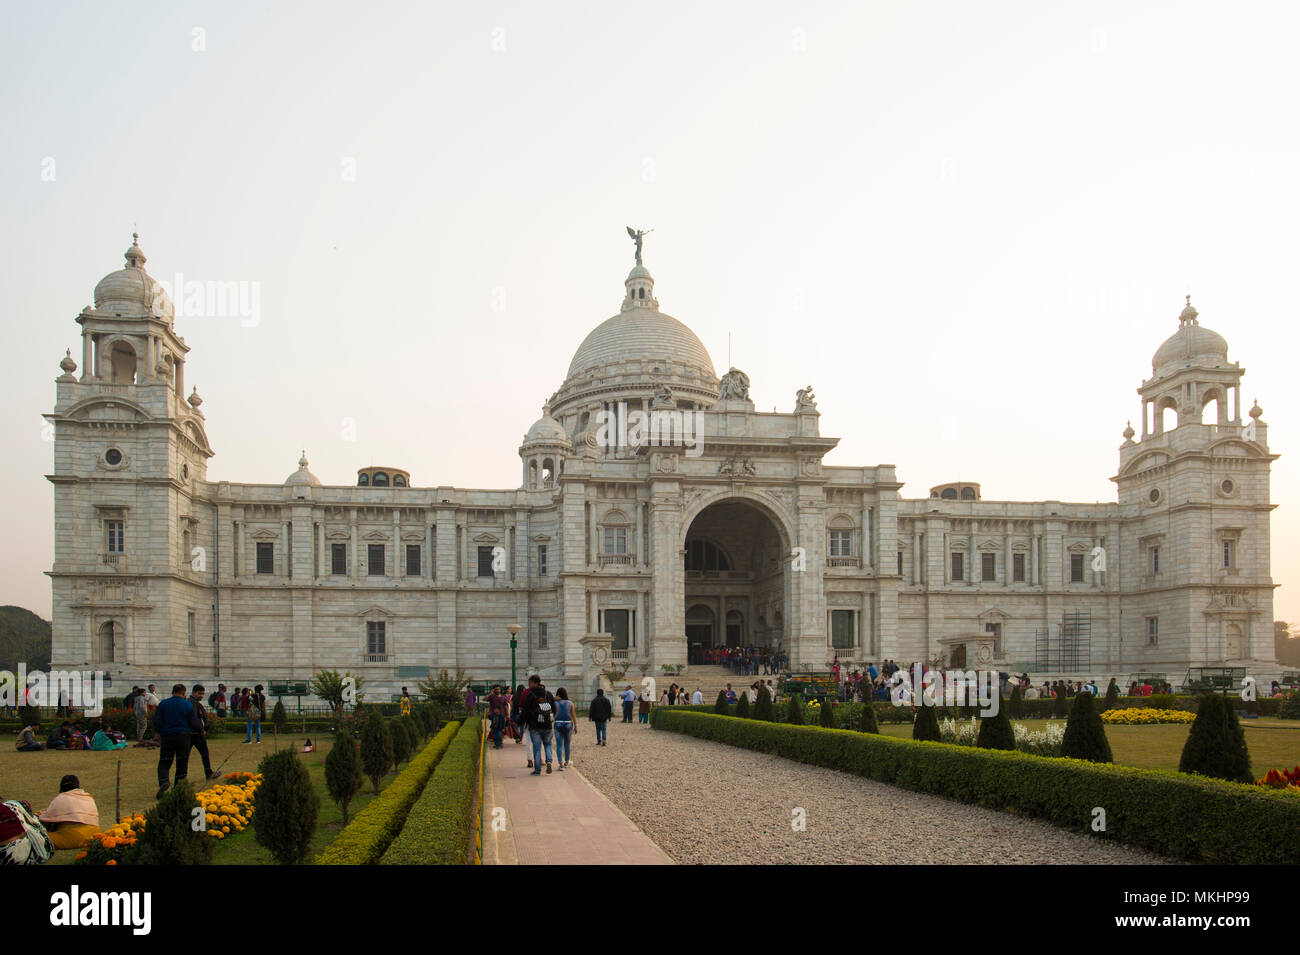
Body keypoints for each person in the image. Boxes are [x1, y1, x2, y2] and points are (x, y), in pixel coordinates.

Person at [154, 683, 201, 799]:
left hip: (168, 736)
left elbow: (156, 720)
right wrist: (200, 730)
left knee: (165, 762)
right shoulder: (187, 705)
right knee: (182, 763)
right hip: (184, 736)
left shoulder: (163, 704)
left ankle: (164, 781)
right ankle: (179, 788)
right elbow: (194, 722)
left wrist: (160, 731)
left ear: (173, 692)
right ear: (184, 693)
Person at [38, 775, 100, 850]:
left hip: (76, 837)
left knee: (38, 837)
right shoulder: (88, 797)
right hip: (94, 835)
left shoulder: (61, 798)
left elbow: (45, 818)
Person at [521, 676, 556, 775]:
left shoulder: (530, 695)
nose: (529, 685)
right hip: (547, 724)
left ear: (535, 683)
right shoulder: (548, 694)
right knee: (548, 744)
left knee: (537, 747)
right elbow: (554, 709)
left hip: (535, 725)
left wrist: (521, 721)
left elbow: (525, 711)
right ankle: (549, 761)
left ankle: (537, 770)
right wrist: (551, 718)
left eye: (530, 683)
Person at [189, 685, 221, 780]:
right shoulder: (193, 703)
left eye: (202, 694)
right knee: (204, 753)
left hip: (191, 733)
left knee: (187, 755)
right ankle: (208, 772)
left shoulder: (192, 702)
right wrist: (202, 729)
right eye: (199, 693)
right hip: (196, 733)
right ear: (194, 693)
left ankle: (208, 772)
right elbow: (195, 719)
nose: (201, 696)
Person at [553, 688, 575, 770]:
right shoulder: (570, 703)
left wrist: (553, 699)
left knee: (559, 745)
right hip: (568, 723)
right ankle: (566, 761)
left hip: (558, 723)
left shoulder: (555, 703)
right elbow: (573, 715)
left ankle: (561, 764)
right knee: (567, 744)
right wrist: (576, 725)